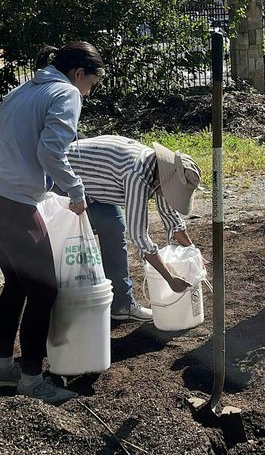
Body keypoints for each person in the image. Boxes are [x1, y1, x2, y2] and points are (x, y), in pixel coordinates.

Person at [0, 41, 105, 403]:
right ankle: (31, 381)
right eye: (91, 83)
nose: (89, 92)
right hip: (12, 205)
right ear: (79, 73)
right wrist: (76, 191)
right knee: (44, 289)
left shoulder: (25, 89)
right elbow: (50, 151)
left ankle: (1, 369)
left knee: (17, 283)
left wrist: (11, 169)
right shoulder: (66, 93)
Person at [64, 135, 202, 321]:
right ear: (165, 180)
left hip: (97, 183)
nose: (171, 194)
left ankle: (121, 304)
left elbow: (170, 217)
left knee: (114, 228)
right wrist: (169, 278)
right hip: (64, 176)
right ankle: (71, 307)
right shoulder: (137, 174)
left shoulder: (160, 171)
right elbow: (138, 236)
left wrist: (193, 253)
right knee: (70, 241)